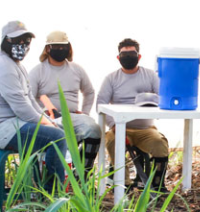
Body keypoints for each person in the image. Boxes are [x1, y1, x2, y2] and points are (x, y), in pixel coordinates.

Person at [0, 21, 68, 192]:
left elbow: (31, 101)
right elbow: (21, 108)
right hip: (0, 128)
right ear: (5, 41)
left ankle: (49, 185)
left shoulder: (16, 66)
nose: (23, 45)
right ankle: (53, 193)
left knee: (59, 129)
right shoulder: (2, 66)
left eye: (26, 41)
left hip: (13, 123)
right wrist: (48, 124)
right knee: (57, 137)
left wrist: (48, 120)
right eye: (17, 40)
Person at [97, 38, 169, 190]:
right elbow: (100, 104)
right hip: (120, 128)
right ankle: (122, 184)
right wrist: (113, 125)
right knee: (113, 142)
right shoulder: (111, 79)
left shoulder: (150, 76)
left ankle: (156, 184)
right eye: (124, 54)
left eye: (132, 53)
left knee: (160, 143)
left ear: (139, 56)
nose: (128, 57)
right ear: (118, 58)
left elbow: (164, 98)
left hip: (146, 129)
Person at [29, 31, 101, 174]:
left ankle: (82, 173)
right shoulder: (37, 71)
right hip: (49, 117)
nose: (60, 50)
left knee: (94, 129)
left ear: (69, 47)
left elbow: (89, 92)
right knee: (56, 135)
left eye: (63, 46)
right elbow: (28, 99)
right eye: (56, 46)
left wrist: (85, 113)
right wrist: (42, 116)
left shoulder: (77, 69)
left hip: (73, 115)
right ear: (48, 48)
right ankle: (54, 176)